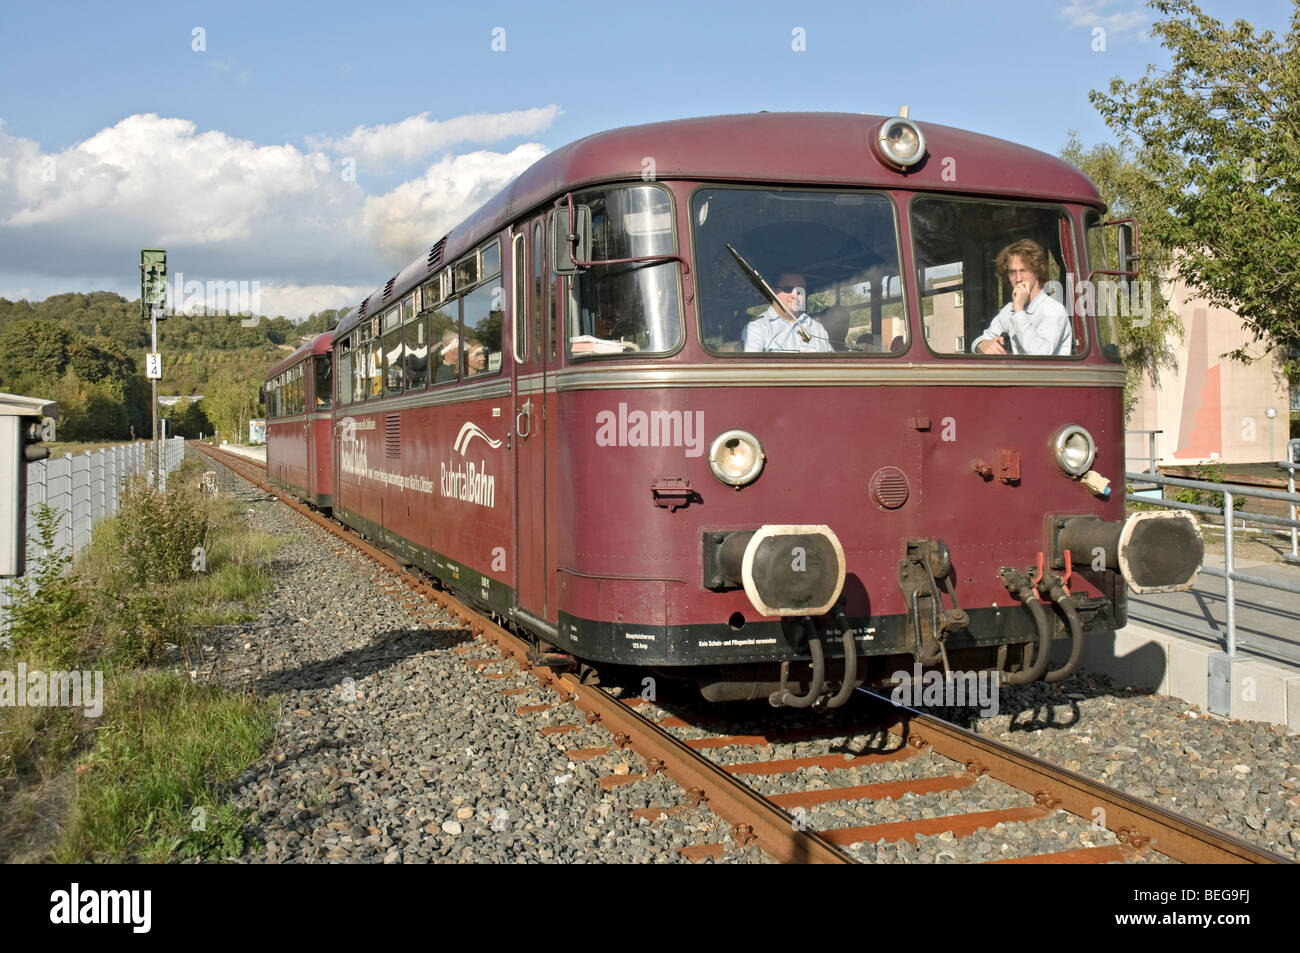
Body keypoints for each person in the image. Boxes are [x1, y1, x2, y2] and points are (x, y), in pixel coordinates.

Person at [971, 240, 1071, 356]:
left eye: (1024, 271)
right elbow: (980, 340)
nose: (1018, 279)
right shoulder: (1009, 310)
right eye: (1013, 272)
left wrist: (1019, 310)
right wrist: (982, 345)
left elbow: (1041, 354)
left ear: (1037, 271)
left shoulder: (1053, 310)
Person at [742, 272, 832, 353]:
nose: (795, 295)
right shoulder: (757, 328)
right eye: (788, 289)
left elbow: (832, 364)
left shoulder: (816, 328)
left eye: (800, 290)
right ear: (773, 292)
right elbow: (752, 369)